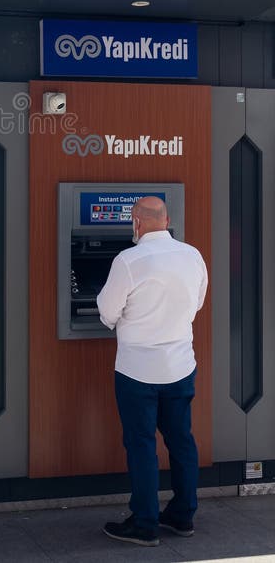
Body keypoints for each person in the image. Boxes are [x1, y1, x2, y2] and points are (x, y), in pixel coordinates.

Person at [96, 195, 208, 547]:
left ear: (136, 222)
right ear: (167, 220)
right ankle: (182, 516)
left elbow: (107, 311)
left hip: (137, 371)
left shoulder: (128, 260)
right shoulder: (192, 255)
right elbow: (197, 303)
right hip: (180, 366)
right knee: (181, 440)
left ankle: (145, 524)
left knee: (142, 444)